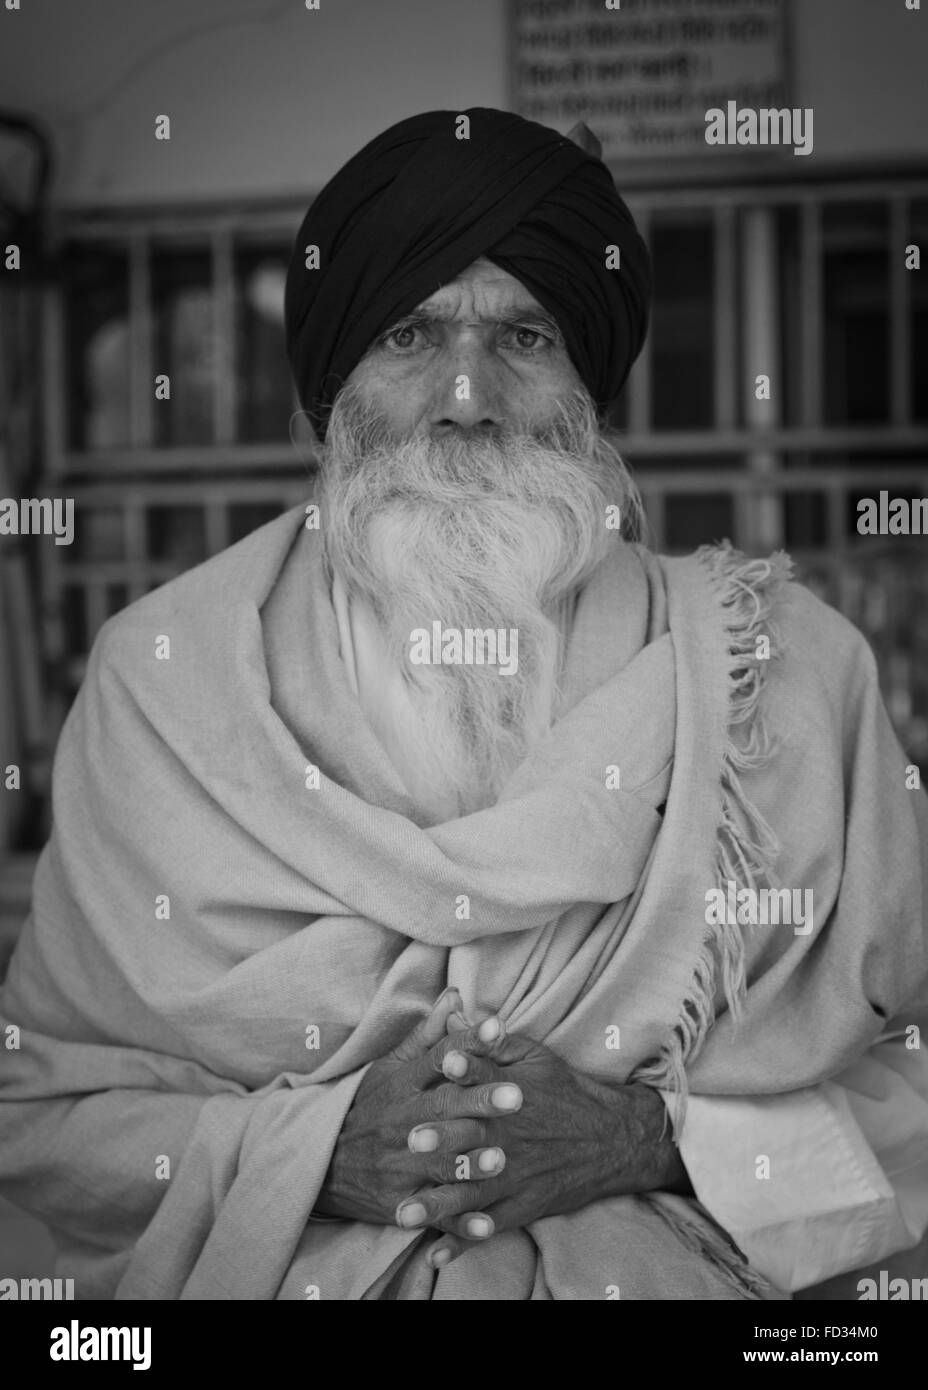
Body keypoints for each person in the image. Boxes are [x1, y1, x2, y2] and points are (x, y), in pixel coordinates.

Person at [1, 108, 926, 1301]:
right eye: (409, 332)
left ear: (591, 382)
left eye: (525, 336)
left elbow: (908, 1064)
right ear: (330, 385)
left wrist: (646, 1141)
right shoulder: (161, 685)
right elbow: (45, 1107)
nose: (466, 396)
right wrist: (316, 1151)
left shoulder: (789, 676)